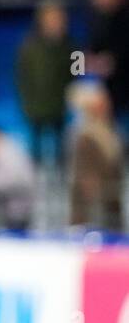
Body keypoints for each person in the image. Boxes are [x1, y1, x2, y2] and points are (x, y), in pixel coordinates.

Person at [15, 0, 75, 171]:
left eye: (59, 19)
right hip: (35, 106)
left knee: (61, 147)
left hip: (60, 105)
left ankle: (61, 176)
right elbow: (21, 75)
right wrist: (25, 101)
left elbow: (78, 72)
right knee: (35, 147)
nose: (55, 24)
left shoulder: (71, 45)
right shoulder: (28, 46)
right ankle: (34, 176)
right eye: (51, 19)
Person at [68, 82, 125, 231]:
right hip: (92, 207)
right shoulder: (86, 135)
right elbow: (85, 176)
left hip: (110, 200)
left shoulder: (109, 131)